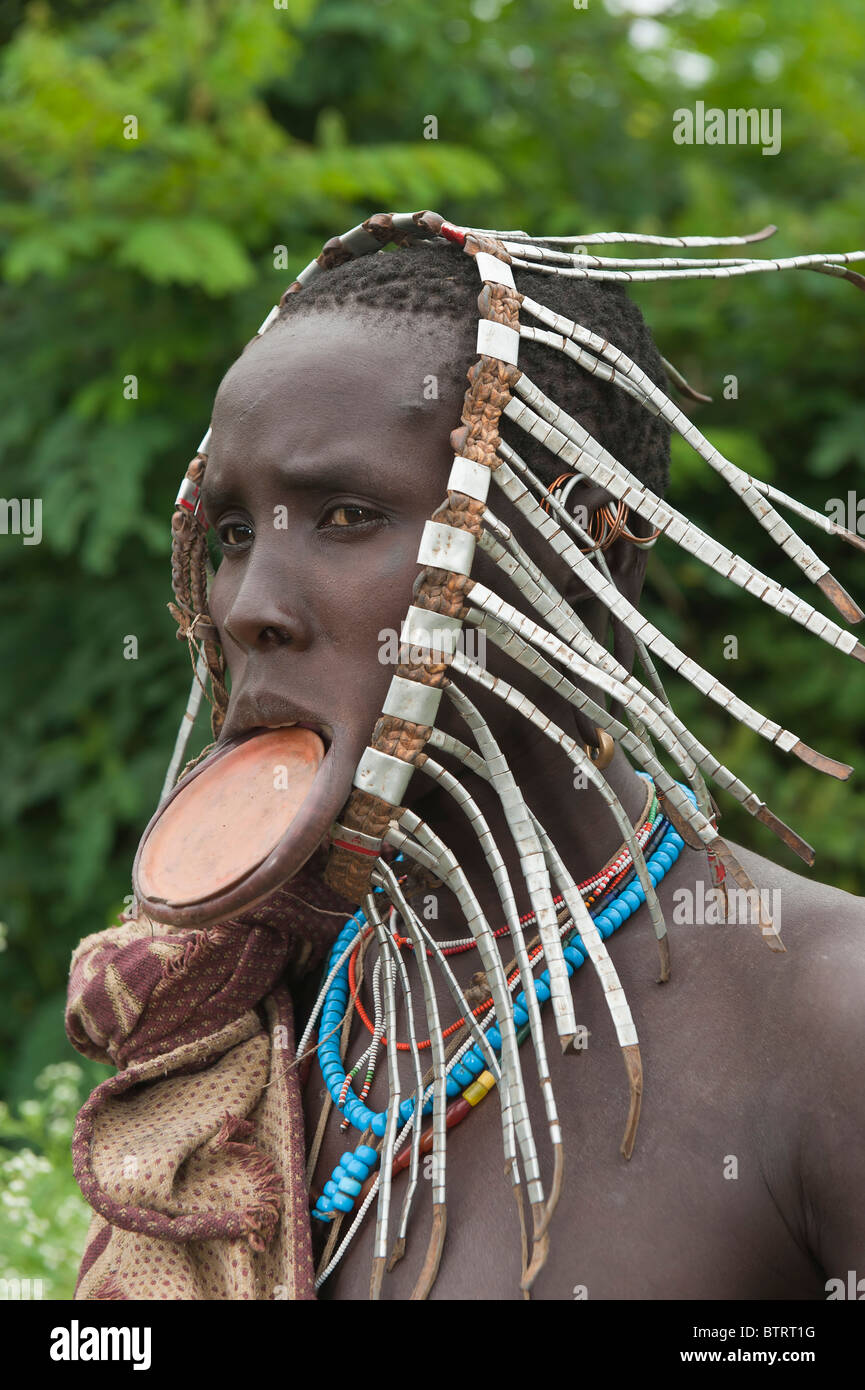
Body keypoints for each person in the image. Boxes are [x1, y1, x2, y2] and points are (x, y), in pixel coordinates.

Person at [67, 211, 865, 1301]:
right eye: (234, 534)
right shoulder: (233, 1028)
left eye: (347, 514)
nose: (251, 607)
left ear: (591, 551)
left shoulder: (828, 1017)